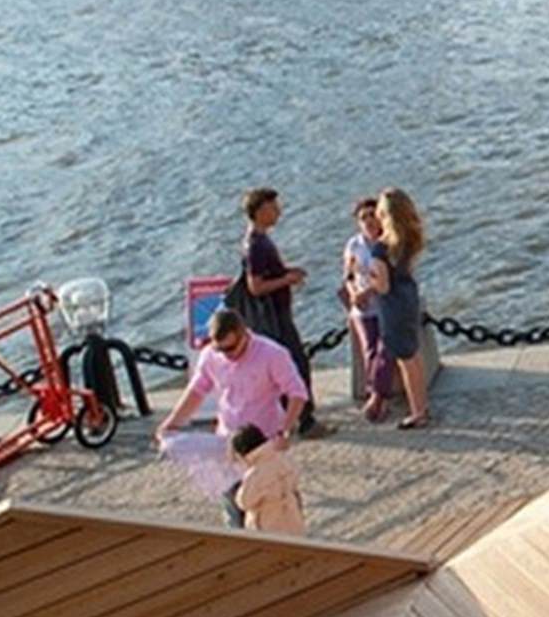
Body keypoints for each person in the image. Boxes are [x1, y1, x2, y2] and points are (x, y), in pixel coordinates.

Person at [157, 309, 307, 526]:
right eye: (221, 349)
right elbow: (197, 391)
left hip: (264, 443)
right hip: (229, 441)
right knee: (234, 507)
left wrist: (285, 430)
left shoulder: (272, 354)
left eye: (231, 348)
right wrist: (171, 423)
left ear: (244, 333)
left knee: (279, 504)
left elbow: (297, 393)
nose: (227, 355)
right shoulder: (211, 355)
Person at [240, 188, 324, 437]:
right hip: (274, 318)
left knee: (290, 365)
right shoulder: (255, 244)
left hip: (277, 313)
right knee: (295, 365)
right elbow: (255, 286)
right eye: (273, 207)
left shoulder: (260, 240)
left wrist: (287, 273)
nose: (279, 212)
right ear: (260, 211)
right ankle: (304, 420)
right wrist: (287, 279)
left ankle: (295, 418)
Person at [366, 188, 432, 430]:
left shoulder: (380, 248)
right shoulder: (407, 240)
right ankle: (422, 405)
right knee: (414, 356)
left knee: (405, 360)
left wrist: (368, 276)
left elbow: (381, 286)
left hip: (392, 304)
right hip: (408, 297)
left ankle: (417, 413)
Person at [341, 197, 393, 423]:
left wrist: (368, 292)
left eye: (372, 215)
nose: (369, 221)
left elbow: (389, 277)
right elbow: (349, 275)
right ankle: (378, 395)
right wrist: (354, 293)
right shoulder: (354, 245)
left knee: (385, 348)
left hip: (385, 302)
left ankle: (376, 396)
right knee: (370, 349)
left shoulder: (388, 243)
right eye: (364, 218)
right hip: (362, 306)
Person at [230, 423, 306, 536]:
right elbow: (295, 480)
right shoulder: (281, 458)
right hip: (292, 517)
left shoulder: (255, 474)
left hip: (267, 526)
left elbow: (244, 502)